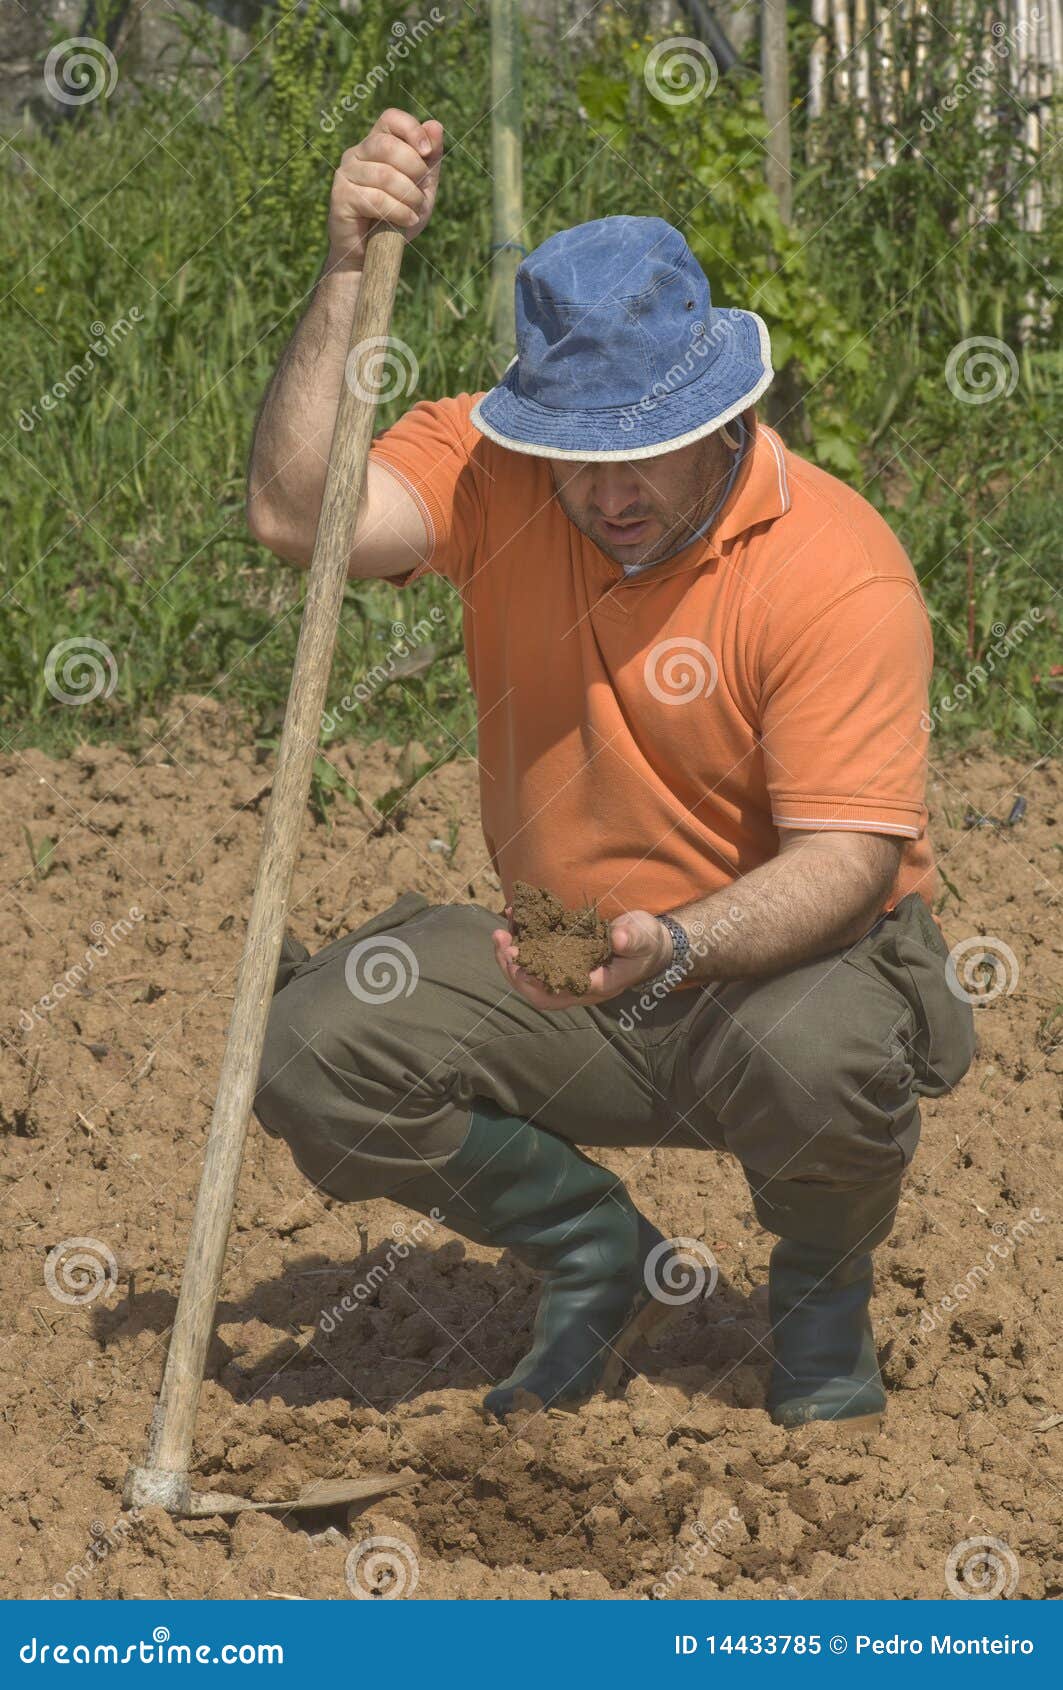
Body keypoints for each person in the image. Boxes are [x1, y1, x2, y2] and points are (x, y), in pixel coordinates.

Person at [246, 109, 975, 1429]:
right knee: (315, 1044)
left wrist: (680, 941)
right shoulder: (497, 467)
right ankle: (595, 1251)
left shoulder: (833, 565)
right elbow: (301, 514)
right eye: (577, 456)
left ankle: (818, 1304)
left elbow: (848, 859)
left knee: (821, 1051)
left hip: (780, 966)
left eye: (643, 447)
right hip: (571, 952)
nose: (610, 490)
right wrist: (347, 264)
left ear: (720, 410)